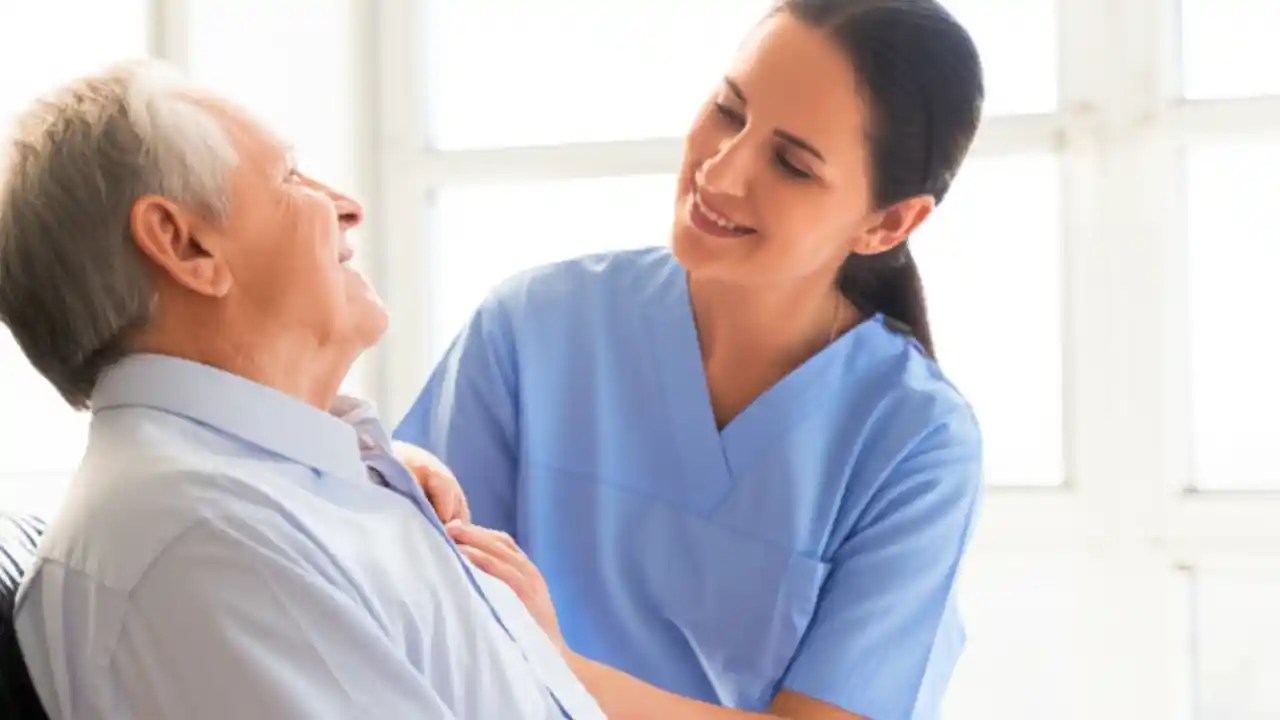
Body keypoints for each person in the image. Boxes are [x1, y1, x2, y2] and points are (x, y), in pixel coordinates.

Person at [394, 1, 986, 718]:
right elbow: (410, 608)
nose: (722, 171)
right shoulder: (532, 328)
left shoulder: (915, 441)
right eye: (730, 111)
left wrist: (557, 670)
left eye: (792, 164)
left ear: (888, 222)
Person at [0, 61, 602, 720]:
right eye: (290, 177)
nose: (349, 207)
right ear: (185, 245)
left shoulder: (282, 496)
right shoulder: (210, 539)